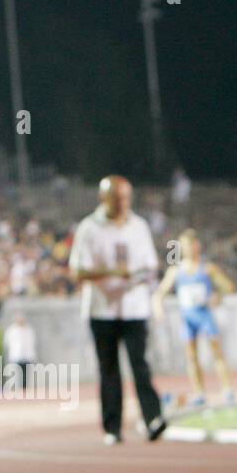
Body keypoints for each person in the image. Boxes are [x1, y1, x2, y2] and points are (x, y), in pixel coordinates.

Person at [68, 175, 167, 444]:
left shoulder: (139, 226)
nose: (123, 203)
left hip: (135, 307)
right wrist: (111, 273)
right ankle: (113, 427)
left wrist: (139, 278)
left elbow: (150, 264)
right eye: (117, 198)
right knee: (109, 370)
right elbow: (77, 270)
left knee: (141, 364)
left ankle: (153, 419)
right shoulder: (89, 228)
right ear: (105, 198)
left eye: (126, 197)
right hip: (102, 310)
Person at [153, 228, 237, 406]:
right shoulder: (176, 271)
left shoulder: (207, 268)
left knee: (217, 352)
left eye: (190, 245)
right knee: (191, 356)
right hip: (188, 317)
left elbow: (228, 286)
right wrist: (159, 310)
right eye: (183, 246)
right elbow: (159, 293)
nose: (187, 249)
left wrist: (218, 297)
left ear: (197, 245)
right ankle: (199, 393)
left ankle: (227, 389)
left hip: (204, 314)